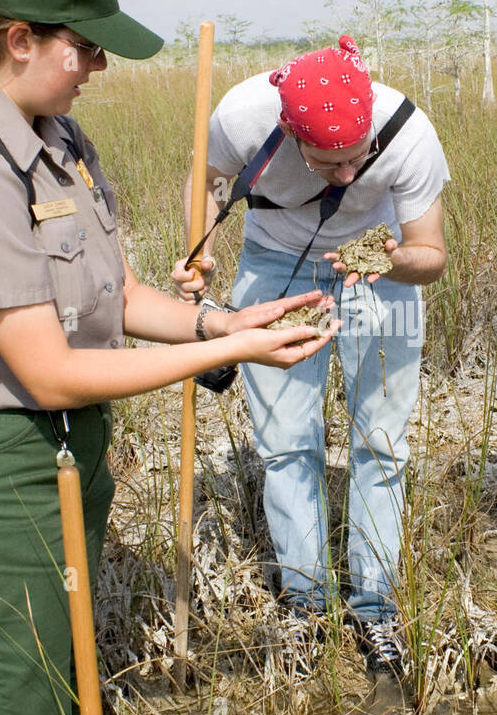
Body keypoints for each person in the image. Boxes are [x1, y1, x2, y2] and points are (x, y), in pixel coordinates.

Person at [0, 0, 335, 715]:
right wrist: (228, 355)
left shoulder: (61, 141)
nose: (100, 67)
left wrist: (219, 321)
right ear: (20, 41)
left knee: (57, 676)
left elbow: (118, 294)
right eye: (86, 47)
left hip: (69, 450)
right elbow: (50, 371)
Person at [172, 36, 449, 675]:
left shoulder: (406, 131)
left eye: (357, 160)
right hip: (275, 260)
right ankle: (305, 602)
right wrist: (199, 246)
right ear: (291, 135)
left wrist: (385, 259)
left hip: (381, 270)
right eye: (328, 164)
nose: (347, 176)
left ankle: (375, 606)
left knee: (381, 441)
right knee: (287, 441)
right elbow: (208, 180)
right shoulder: (243, 115)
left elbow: (430, 255)